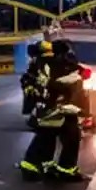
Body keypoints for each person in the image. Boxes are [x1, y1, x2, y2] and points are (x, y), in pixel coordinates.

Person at [19, 39, 86, 181]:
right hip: (58, 108)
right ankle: (64, 170)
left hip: (47, 108)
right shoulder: (56, 64)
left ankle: (43, 166)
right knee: (68, 137)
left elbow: (30, 83)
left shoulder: (38, 65)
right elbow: (66, 81)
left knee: (47, 137)